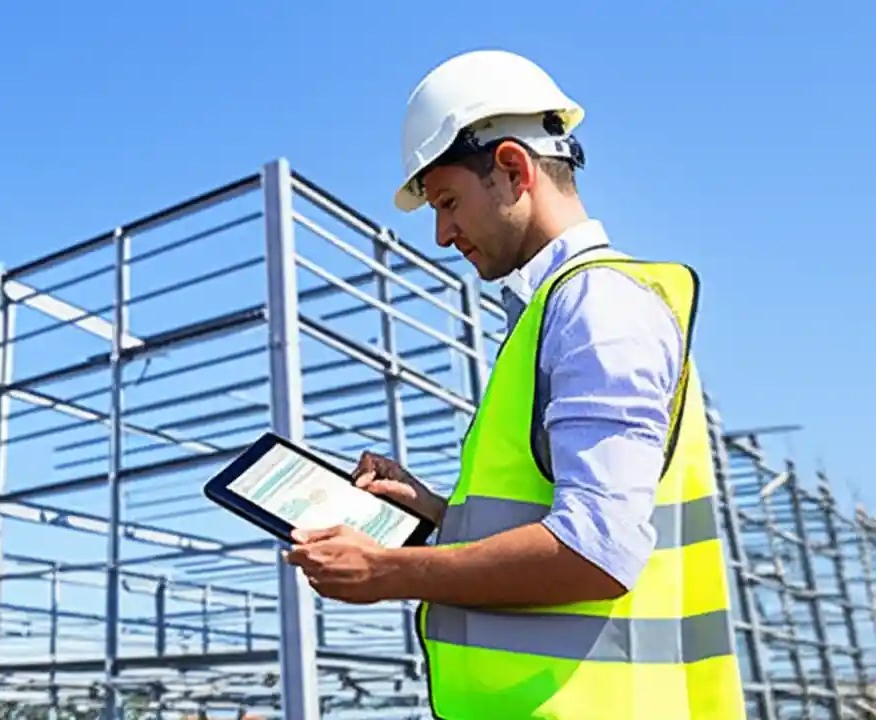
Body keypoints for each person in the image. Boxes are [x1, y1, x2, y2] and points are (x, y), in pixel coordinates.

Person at [284, 49, 746, 719]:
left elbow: (594, 552)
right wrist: (437, 511)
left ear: (511, 168)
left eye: (447, 202)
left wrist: (386, 574)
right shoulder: (557, 311)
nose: (442, 234)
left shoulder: (600, 309)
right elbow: (564, 517)